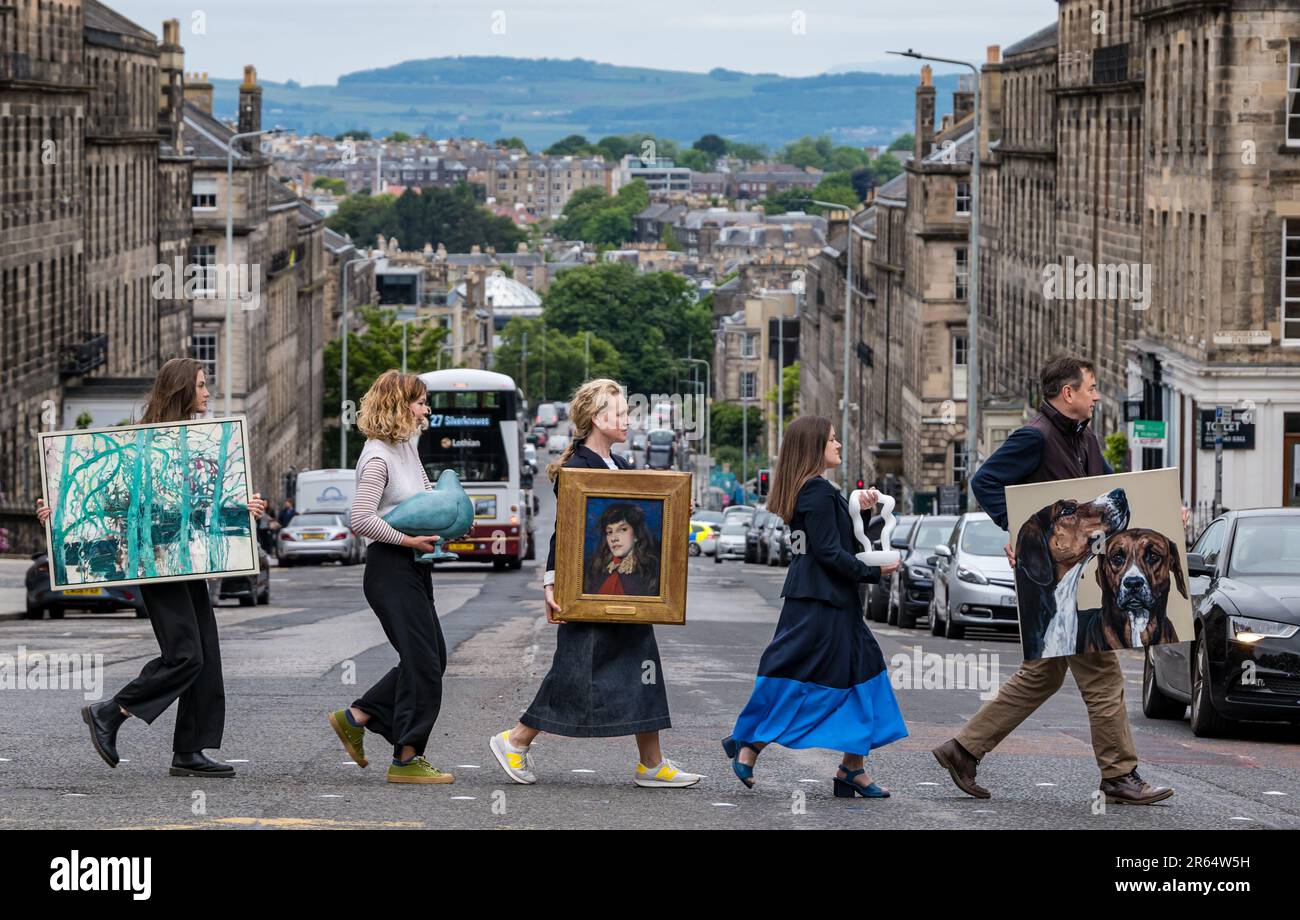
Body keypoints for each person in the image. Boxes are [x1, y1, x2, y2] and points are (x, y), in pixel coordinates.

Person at [932, 353, 1174, 805]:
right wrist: (1019, 530)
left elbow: (1112, 501)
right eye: (1092, 387)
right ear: (1068, 394)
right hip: (1055, 578)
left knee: (1040, 677)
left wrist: (1164, 515)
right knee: (1103, 675)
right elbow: (985, 482)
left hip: (1080, 577)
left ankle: (962, 750)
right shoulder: (1035, 438)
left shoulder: (1087, 440)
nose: (1098, 395)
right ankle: (1119, 775)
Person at [38, 358, 269, 777]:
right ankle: (111, 712)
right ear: (182, 389)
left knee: (206, 657)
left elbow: (199, 504)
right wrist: (59, 512)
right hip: (155, 562)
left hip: (189, 561)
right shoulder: (139, 442)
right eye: (201, 385)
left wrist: (243, 507)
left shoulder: (198, 441)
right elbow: (106, 495)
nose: (207, 392)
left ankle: (190, 751)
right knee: (185, 655)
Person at [487, 378, 701, 788]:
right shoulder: (578, 467)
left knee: (644, 669)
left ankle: (652, 765)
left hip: (626, 592)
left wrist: (677, 510)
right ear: (598, 419)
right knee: (573, 672)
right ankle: (514, 741)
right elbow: (561, 533)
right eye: (620, 414)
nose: (627, 420)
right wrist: (551, 584)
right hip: (588, 592)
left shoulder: (617, 467)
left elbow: (644, 529)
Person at [722, 416, 905, 797]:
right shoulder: (818, 491)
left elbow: (839, 542)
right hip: (822, 602)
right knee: (804, 677)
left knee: (864, 675)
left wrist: (864, 513)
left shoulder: (810, 490)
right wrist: (873, 572)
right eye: (833, 440)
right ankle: (750, 742)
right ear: (813, 447)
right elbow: (829, 553)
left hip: (825, 599)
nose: (839, 445)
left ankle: (851, 768)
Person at [326, 370, 451, 784]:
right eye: (419, 402)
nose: (425, 409)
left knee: (432, 659)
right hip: (390, 569)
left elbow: (424, 494)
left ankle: (356, 717)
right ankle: (407, 759)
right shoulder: (377, 455)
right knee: (423, 664)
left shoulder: (405, 448)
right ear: (399, 405)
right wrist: (409, 541)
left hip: (412, 568)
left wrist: (448, 513)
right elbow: (360, 518)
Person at [583, 501, 662, 596]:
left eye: (622, 529)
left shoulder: (654, 572)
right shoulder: (593, 570)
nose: (614, 538)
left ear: (636, 534)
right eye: (609, 532)